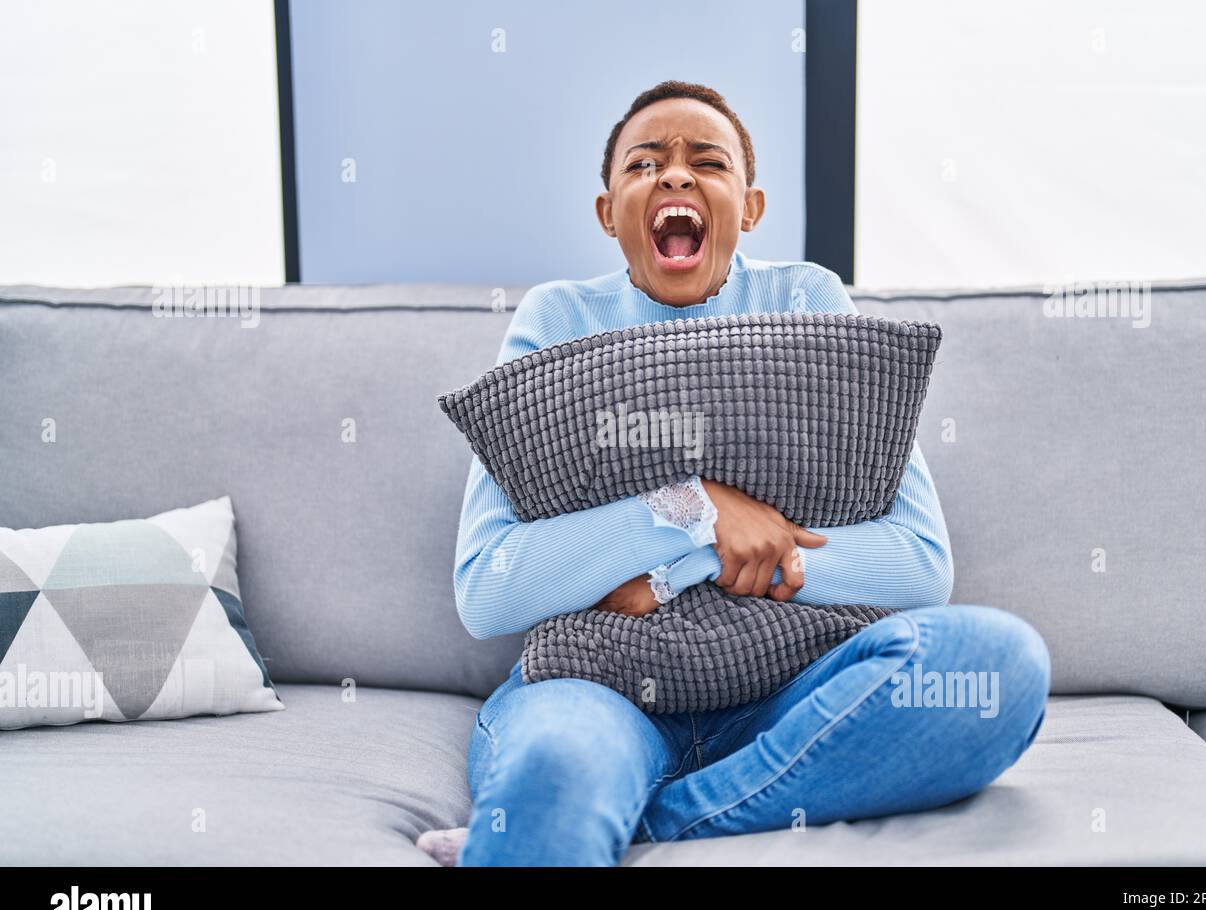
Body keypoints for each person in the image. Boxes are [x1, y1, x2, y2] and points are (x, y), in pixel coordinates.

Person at [417, 80, 1050, 867]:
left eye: (706, 163)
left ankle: (652, 822)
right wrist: (691, 506)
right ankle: (619, 807)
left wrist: (688, 562)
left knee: (997, 668)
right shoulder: (558, 320)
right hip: (599, 690)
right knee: (555, 774)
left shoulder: (808, 299)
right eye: (644, 163)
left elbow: (920, 565)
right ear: (608, 210)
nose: (675, 177)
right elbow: (490, 589)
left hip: (798, 692)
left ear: (748, 207)